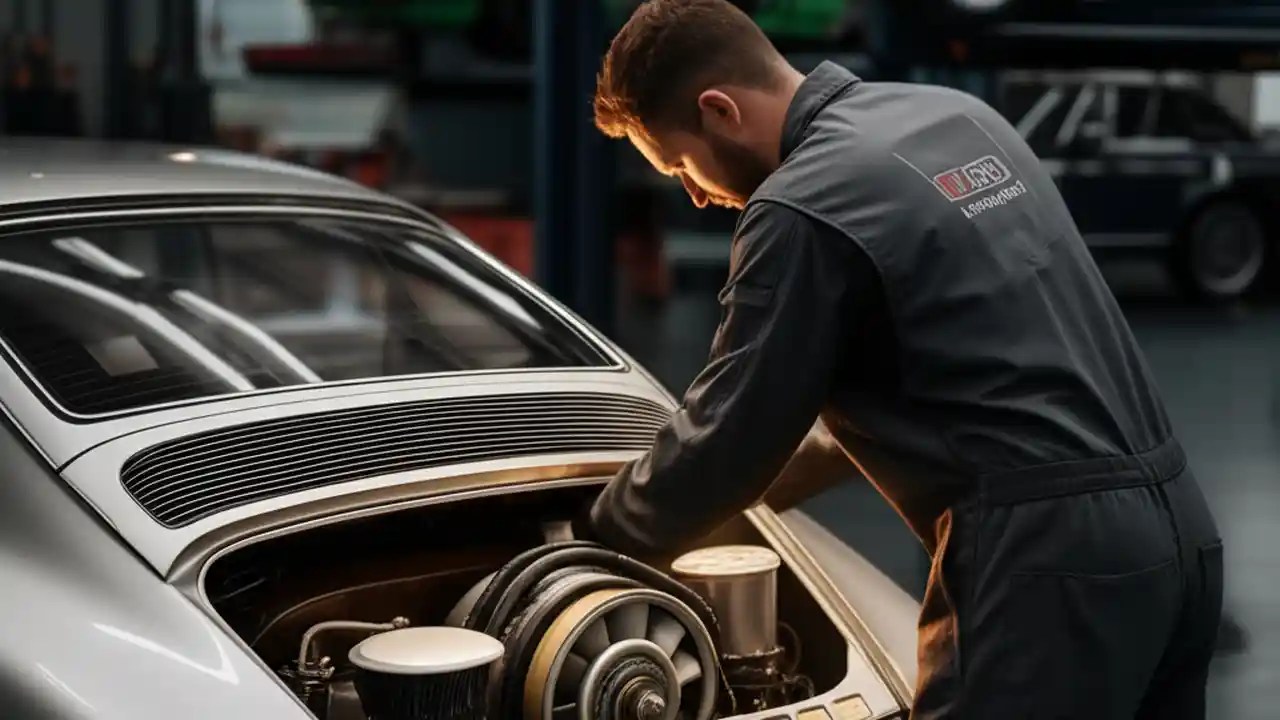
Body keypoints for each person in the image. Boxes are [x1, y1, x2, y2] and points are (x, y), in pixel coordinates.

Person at [577, 1, 1224, 718]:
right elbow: (895, 404)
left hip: (1050, 569)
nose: (695, 196)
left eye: (679, 165)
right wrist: (746, 504)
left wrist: (596, 537)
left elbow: (732, 434)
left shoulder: (801, 205)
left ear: (720, 109)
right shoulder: (955, 117)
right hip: (1177, 531)